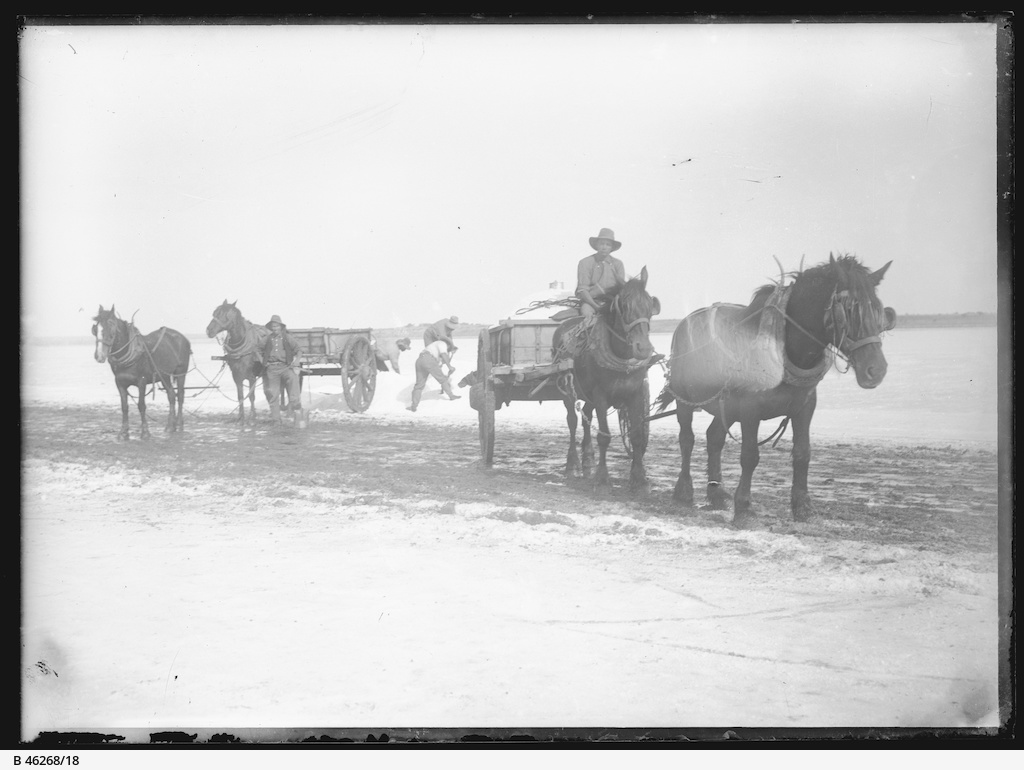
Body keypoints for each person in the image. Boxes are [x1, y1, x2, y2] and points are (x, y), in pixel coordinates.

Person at [262, 314, 305, 427]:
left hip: (286, 368)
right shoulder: (267, 339)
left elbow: (299, 350)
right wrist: (262, 360)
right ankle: (276, 421)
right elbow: (257, 349)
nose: (275, 328)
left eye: (277, 326)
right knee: (273, 396)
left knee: (294, 394)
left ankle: (300, 420)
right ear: (271, 328)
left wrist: (297, 361)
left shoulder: (287, 338)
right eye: (273, 326)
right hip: (272, 370)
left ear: (281, 327)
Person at [576, 227, 626, 317]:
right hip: (591, 302)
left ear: (611, 248)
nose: (604, 247)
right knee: (587, 316)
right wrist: (597, 307)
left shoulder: (618, 264)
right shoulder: (585, 262)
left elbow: (621, 288)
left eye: (608, 244)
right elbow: (583, 290)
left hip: (612, 303)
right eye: (602, 244)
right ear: (597, 245)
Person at [407, 339, 462, 412]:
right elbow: (444, 354)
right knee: (442, 379)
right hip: (428, 359)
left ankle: (413, 406)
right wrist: (450, 367)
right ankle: (451, 396)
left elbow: (438, 365)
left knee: (419, 385)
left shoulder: (433, 348)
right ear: (448, 345)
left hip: (419, 360)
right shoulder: (442, 343)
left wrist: (446, 371)